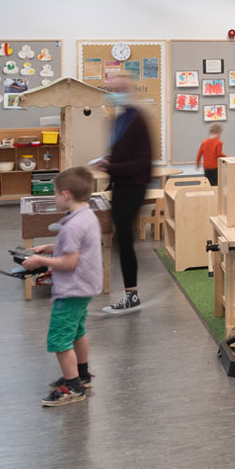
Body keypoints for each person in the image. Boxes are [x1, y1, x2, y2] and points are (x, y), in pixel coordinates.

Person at [21, 167, 102, 407]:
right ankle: (83, 374)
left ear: (66, 195)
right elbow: (77, 248)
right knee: (77, 331)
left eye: (55, 194)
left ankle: (73, 387)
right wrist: (50, 247)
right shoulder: (87, 216)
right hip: (86, 288)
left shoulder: (72, 226)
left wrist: (40, 261)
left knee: (59, 339)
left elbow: (69, 261)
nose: (54, 198)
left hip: (72, 289)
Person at [97, 75, 154, 316]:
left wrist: (110, 167)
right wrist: (110, 161)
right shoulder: (120, 117)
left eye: (116, 89)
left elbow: (142, 162)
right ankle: (130, 293)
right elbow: (123, 152)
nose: (111, 93)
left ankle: (131, 295)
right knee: (121, 239)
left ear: (126, 91)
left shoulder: (137, 119)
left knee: (124, 240)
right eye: (109, 90)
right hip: (121, 187)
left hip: (133, 187)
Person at [195, 121, 224, 187]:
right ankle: (216, 195)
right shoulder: (218, 142)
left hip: (206, 167)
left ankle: (209, 194)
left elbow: (199, 154)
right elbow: (219, 154)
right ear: (218, 132)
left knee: (208, 182)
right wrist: (227, 157)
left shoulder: (204, 142)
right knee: (217, 183)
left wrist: (198, 163)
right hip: (215, 167)